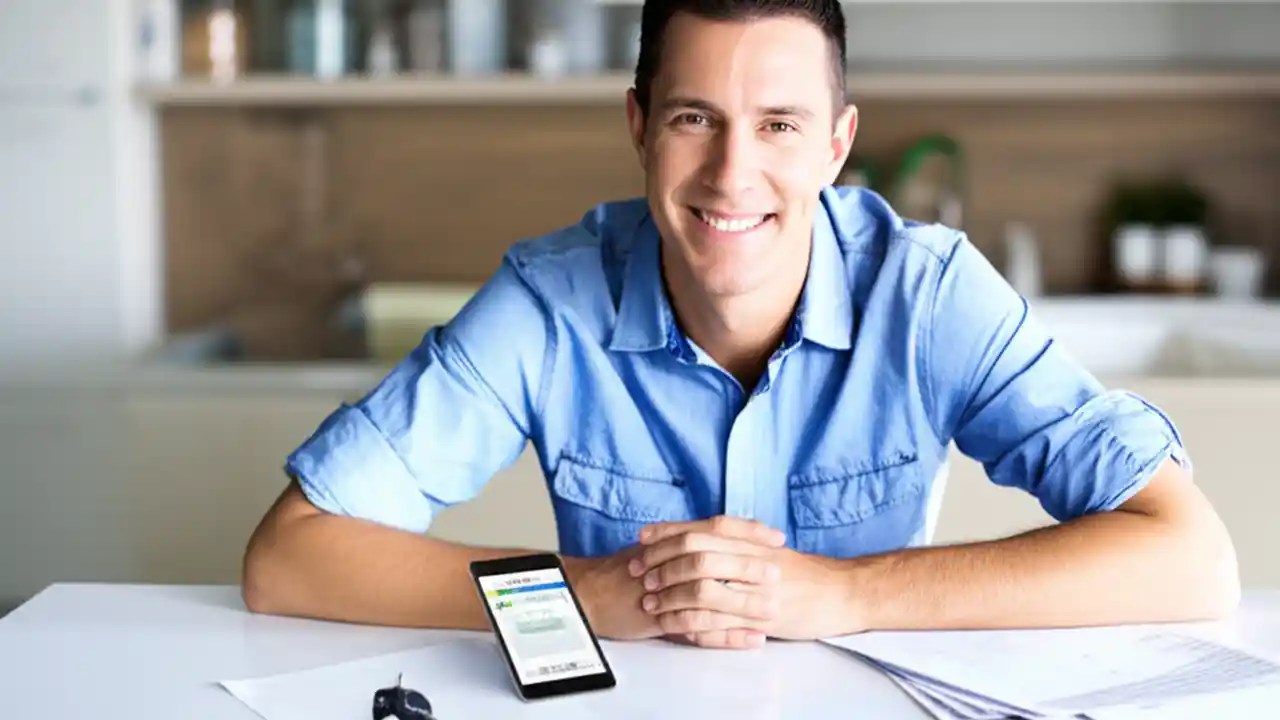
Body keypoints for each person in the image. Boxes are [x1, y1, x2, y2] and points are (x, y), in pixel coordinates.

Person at [242, 0, 1240, 650]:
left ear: (837, 144)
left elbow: (1189, 558)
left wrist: (841, 595)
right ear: (639, 127)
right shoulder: (549, 301)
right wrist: (583, 597)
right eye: (694, 119)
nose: (731, 175)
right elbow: (290, 555)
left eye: (777, 125)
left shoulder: (928, 294)